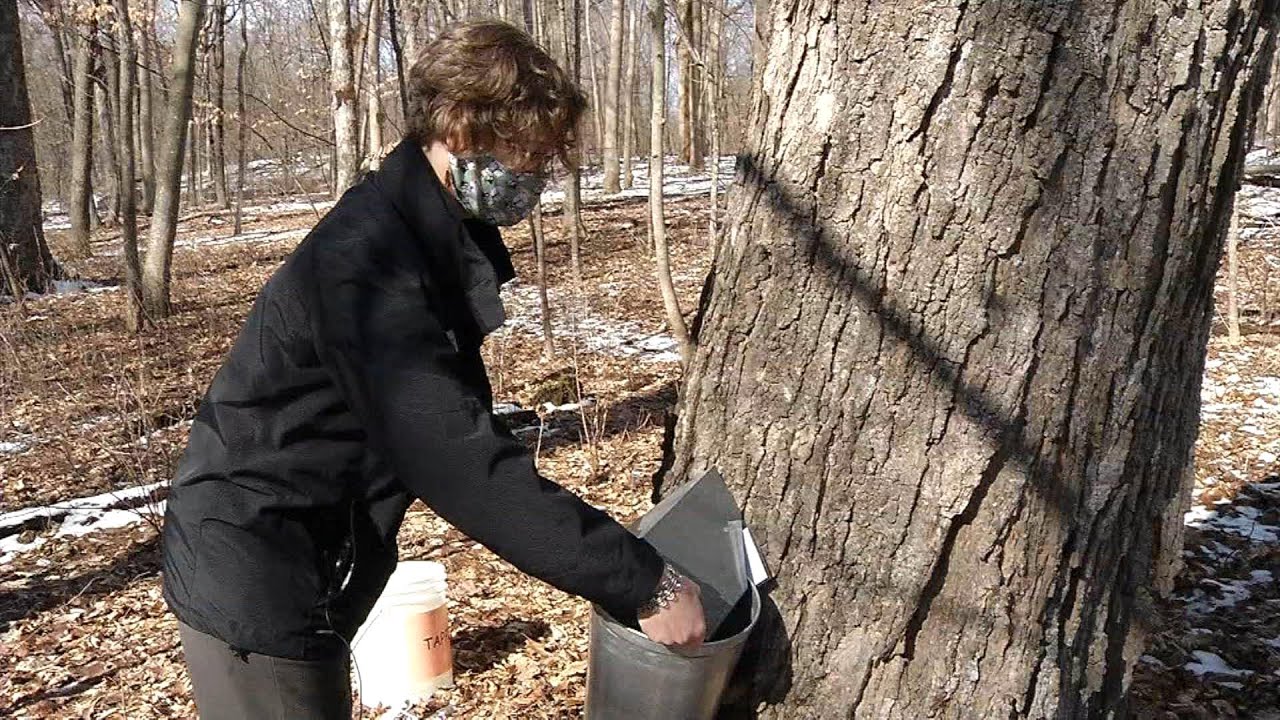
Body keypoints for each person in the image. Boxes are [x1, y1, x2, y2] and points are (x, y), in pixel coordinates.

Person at [161, 20, 705, 719]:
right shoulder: (366, 263)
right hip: (253, 557)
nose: (534, 174)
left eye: (545, 156)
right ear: (460, 128)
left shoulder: (426, 233)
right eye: (524, 151)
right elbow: (455, 459)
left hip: (302, 554)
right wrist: (639, 582)